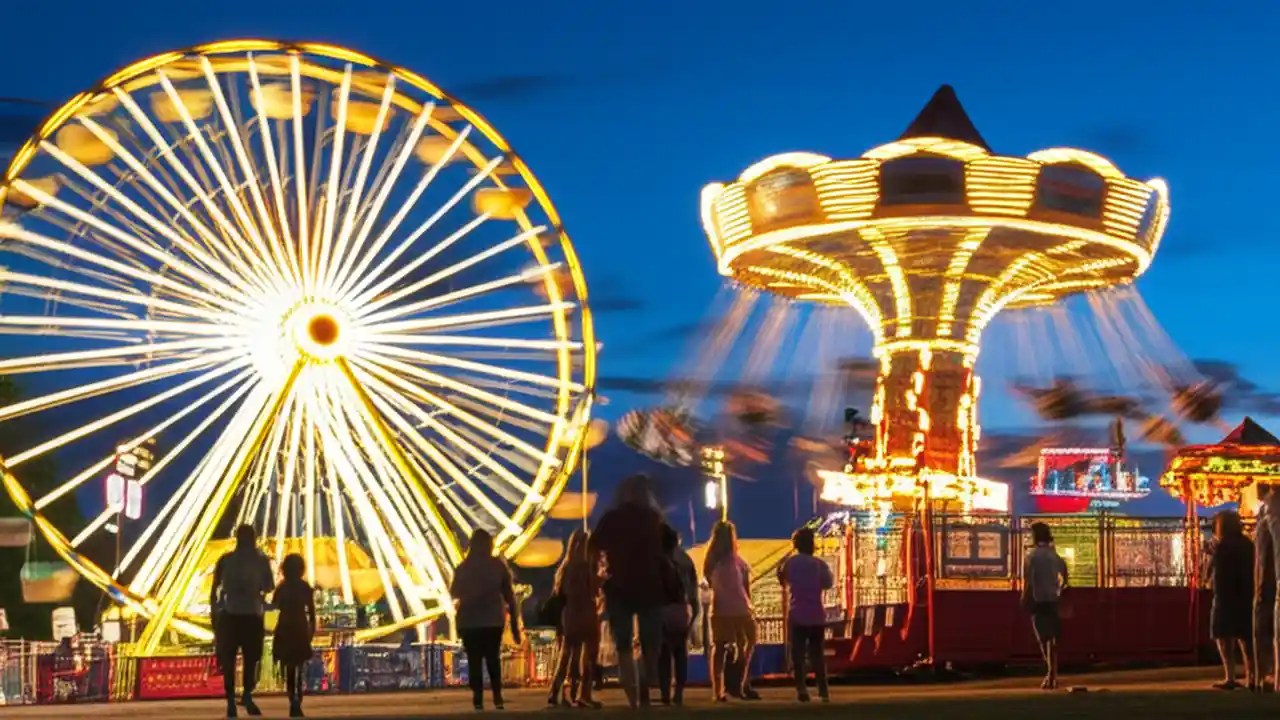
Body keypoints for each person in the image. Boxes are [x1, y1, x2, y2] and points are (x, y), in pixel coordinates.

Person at [590, 474, 667, 708]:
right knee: (650, 643)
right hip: (649, 585)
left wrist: (598, 573)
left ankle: (633, 697)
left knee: (623, 644)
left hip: (620, 585)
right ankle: (643, 682)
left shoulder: (612, 518)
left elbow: (593, 545)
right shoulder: (653, 518)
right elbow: (663, 552)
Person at [450, 529, 521, 711]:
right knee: (492, 659)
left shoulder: (463, 568)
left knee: (474, 661)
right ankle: (497, 697)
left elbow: (454, 592)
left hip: (469, 621)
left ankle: (478, 699)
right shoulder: (497, 566)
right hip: (492, 620)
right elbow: (509, 596)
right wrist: (514, 625)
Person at [211, 524, 274, 718]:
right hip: (251, 615)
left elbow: (214, 589)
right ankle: (247, 693)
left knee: (228, 660)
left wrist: (215, 612)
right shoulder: (261, 561)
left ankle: (230, 700)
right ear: (254, 538)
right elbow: (269, 586)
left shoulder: (225, 560)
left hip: (229, 614)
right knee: (252, 658)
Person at [704, 520, 760, 702]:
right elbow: (746, 587)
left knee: (719, 648)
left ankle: (718, 690)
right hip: (740, 608)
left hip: (720, 608)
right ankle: (740, 683)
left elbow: (709, 582)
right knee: (747, 643)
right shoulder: (738, 561)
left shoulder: (711, 561)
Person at [776, 526, 833, 703]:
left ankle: (802, 689)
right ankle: (823, 690)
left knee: (798, 655)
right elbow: (827, 584)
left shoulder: (790, 563)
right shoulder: (819, 564)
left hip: (797, 613)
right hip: (816, 613)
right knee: (817, 654)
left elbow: (782, 580)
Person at [546, 529, 602, 708]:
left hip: (570, 614)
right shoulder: (587, 568)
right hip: (586, 613)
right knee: (588, 657)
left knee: (568, 655)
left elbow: (561, 593)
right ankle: (583, 693)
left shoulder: (565, 568)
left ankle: (557, 691)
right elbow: (593, 590)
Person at [1209, 509, 1255, 690]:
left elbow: (1218, 574)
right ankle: (1252, 675)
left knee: (1223, 636)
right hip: (1245, 594)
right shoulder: (1247, 544)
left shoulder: (1222, 546)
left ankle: (1230, 675)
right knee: (1246, 637)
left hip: (1226, 596)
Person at [1022, 522, 1068, 690]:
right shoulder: (1054, 555)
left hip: (1038, 599)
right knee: (1052, 639)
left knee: (1043, 638)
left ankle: (1051, 673)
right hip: (1053, 599)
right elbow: (1064, 572)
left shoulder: (1032, 556)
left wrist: (1024, 598)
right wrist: (1061, 589)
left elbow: (1029, 580)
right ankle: (1052, 675)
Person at [657, 525, 699, 706]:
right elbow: (693, 587)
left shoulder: (658, 561)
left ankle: (665, 692)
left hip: (663, 608)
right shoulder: (685, 559)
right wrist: (694, 610)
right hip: (682, 609)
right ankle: (679, 692)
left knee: (664, 653)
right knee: (681, 651)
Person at [272, 553, 316, 718]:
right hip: (299, 628)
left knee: (288, 668)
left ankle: (293, 698)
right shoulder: (305, 587)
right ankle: (297, 697)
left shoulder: (281, 588)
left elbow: (274, 609)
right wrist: (311, 629)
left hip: (284, 628)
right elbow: (311, 611)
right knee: (299, 666)